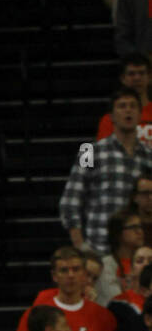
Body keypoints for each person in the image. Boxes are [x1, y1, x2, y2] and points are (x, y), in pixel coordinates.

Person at [60, 89, 152, 257]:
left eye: (133, 106)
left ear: (140, 115)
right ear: (111, 116)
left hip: (139, 252)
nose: (128, 110)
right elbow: (70, 201)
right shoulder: (87, 151)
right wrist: (81, 247)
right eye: (122, 106)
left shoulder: (149, 156)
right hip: (99, 249)